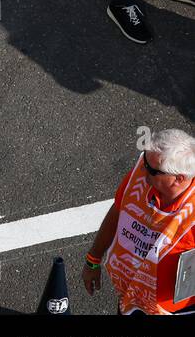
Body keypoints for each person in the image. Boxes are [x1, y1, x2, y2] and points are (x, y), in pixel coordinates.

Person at [82, 128, 195, 314]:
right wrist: (92, 260)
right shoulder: (141, 181)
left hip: (174, 310)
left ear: (178, 179)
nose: (142, 170)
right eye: (144, 160)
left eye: (151, 169)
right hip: (131, 296)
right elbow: (118, 213)